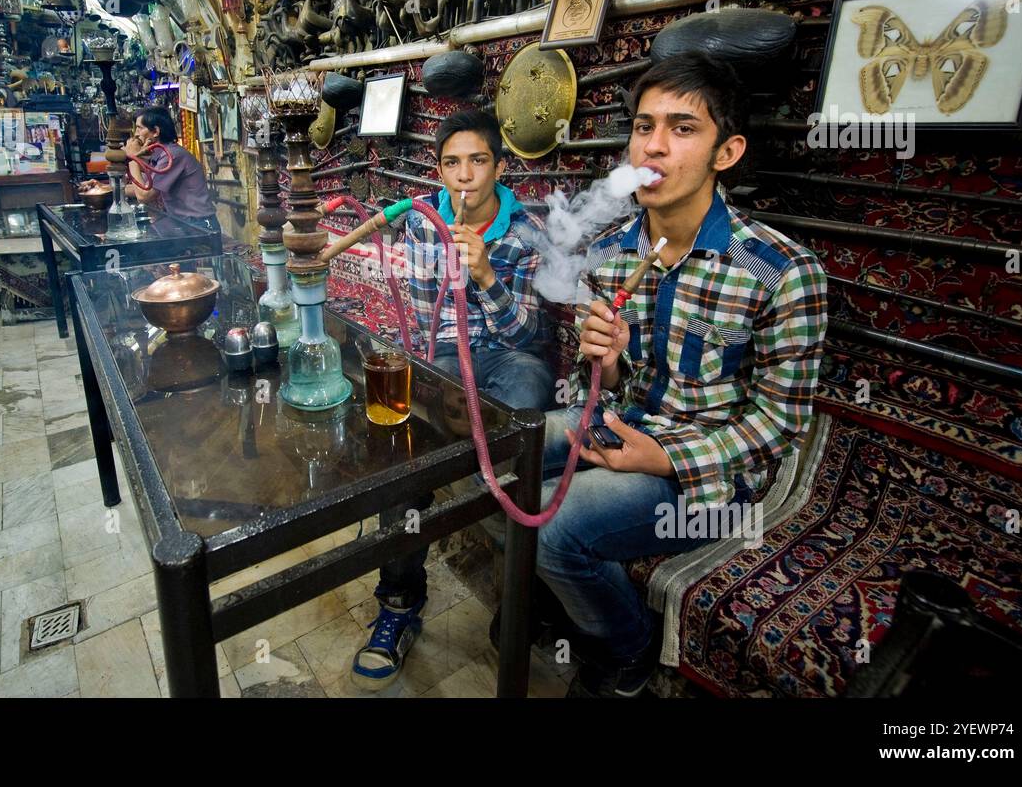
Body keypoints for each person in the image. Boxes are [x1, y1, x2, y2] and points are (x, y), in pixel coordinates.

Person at [536, 53, 828, 697]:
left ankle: (627, 650)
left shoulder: (781, 270)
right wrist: (607, 368)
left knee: (555, 529)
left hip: (719, 477)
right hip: (630, 424)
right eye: (644, 127)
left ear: (727, 152)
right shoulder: (612, 253)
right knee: (507, 455)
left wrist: (664, 459)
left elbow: (781, 423)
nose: (655, 147)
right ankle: (561, 600)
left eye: (683, 128)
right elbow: (619, 389)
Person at [350, 108, 555, 690]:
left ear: (500, 165)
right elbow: (421, 320)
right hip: (444, 357)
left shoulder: (525, 236)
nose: (464, 177)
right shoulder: (420, 224)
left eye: (478, 161)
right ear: (439, 170)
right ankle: (398, 607)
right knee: (405, 453)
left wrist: (487, 275)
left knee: (526, 407)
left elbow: (529, 336)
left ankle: (520, 601)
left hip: (509, 359)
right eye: (451, 163)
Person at [81, 108, 221, 242]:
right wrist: (104, 187)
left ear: (155, 131)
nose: (135, 134)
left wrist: (133, 158)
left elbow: (143, 196)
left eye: (140, 128)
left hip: (200, 226)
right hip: (183, 223)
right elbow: (142, 187)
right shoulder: (158, 155)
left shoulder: (172, 156)